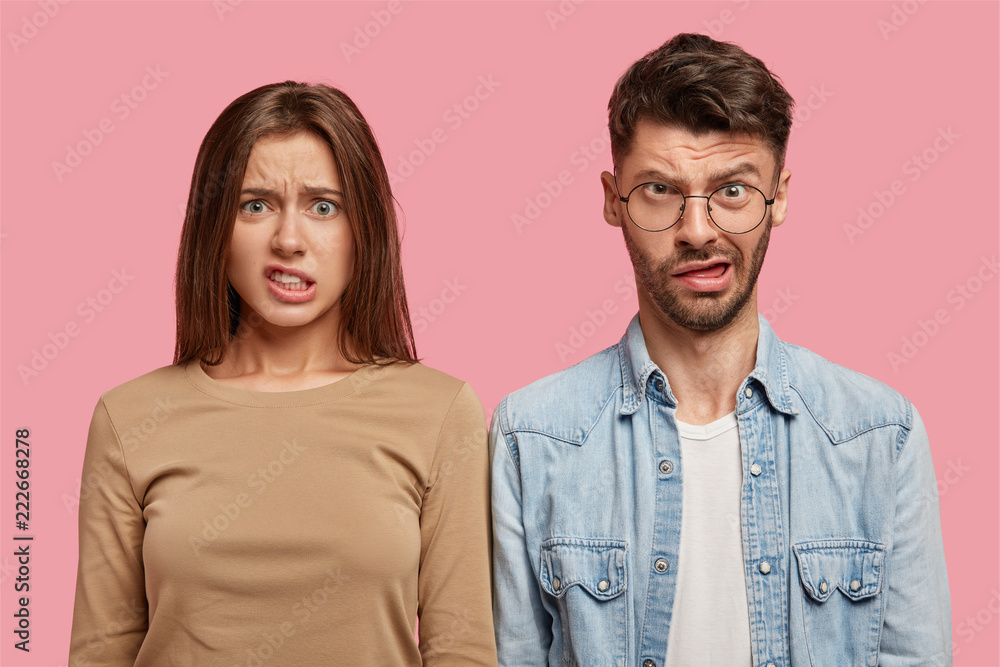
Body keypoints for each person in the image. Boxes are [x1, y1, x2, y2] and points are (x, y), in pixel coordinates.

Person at [490, 34, 951, 667]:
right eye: (659, 190)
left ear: (779, 196)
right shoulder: (530, 436)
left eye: (732, 190)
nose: (697, 230)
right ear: (611, 198)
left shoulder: (878, 435)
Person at [69, 82, 496, 666]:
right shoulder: (129, 418)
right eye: (255, 205)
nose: (289, 241)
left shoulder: (441, 413)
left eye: (324, 206)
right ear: (214, 229)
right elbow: (100, 653)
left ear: (363, 230)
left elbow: (462, 652)